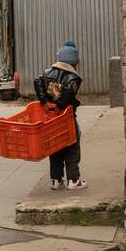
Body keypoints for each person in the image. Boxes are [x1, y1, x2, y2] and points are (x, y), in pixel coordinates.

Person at [34, 39, 86, 189]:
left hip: (50, 118)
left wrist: (45, 102)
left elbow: (37, 82)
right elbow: (69, 92)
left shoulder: (47, 72)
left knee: (55, 147)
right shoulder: (73, 77)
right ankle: (73, 180)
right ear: (74, 61)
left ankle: (56, 180)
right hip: (66, 117)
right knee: (72, 145)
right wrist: (60, 106)